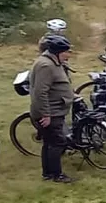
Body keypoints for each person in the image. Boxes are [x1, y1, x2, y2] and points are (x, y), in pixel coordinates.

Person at [30, 34, 77, 184]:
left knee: (49, 142)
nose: (68, 55)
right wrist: (46, 114)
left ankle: (48, 173)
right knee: (58, 142)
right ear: (57, 52)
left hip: (55, 110)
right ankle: (57, 174)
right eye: (66, 52)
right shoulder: (46, 66)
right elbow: (40, 92)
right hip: (51, 112)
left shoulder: (52, 62)